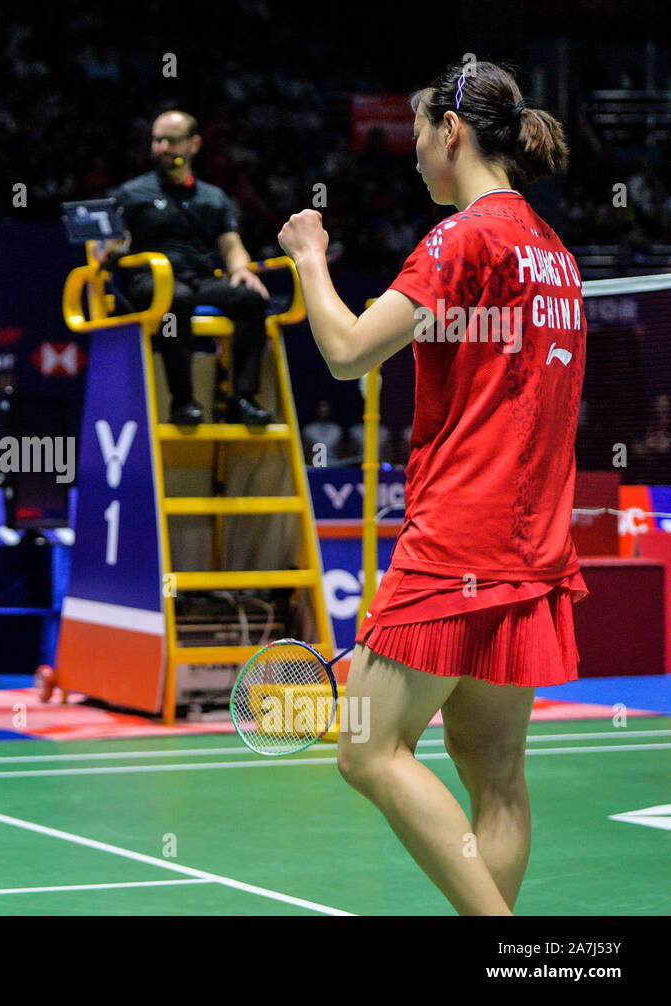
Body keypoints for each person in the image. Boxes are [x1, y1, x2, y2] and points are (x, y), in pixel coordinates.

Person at [276, 60, 586, 916]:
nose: (413, 156)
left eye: (417, 137)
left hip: (459, 537)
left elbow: (344, 351)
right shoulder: (554, 255)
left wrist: (309, 257)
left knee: (368, 750)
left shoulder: (462, 239)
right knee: (498, 777)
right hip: (533, 543)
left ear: (451, 132)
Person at [109, 109, 274, 426]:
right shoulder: (131, 194)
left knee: (251, 299)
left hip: (199, 279)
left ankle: (242, 399)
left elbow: (231, 244)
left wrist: (241, 270)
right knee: (178, 298)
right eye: (157, 140)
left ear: (193, 144)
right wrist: (108, 250)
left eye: (171, 140)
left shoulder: (213, 198)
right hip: (150, 281)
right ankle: (182, 402)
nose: (162, 147)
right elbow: (113, 242)